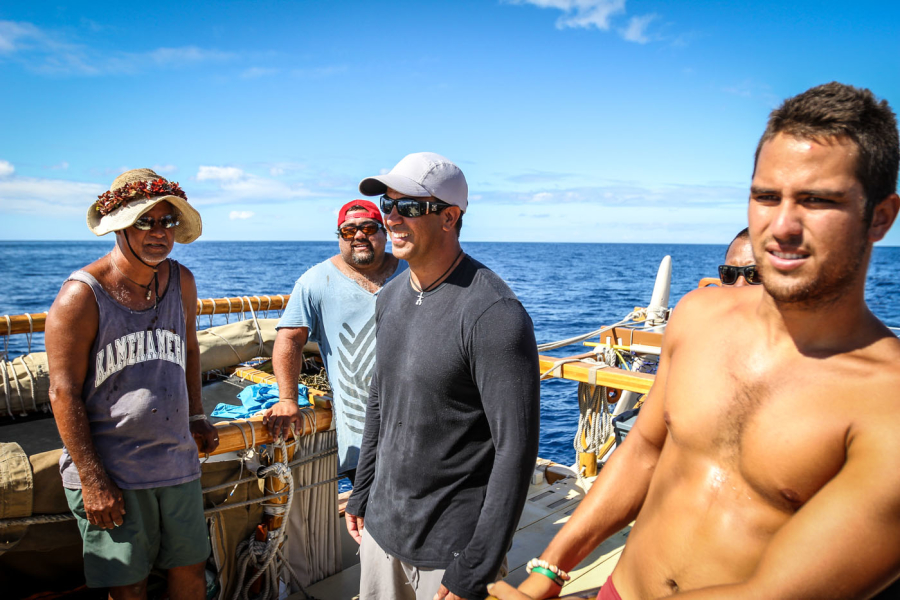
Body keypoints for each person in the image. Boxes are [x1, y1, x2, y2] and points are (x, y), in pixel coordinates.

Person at [490, 82, 900, 600]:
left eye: (818, 200)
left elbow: (776, 593)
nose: (782, 226)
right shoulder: (698, 316)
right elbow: (644, 448)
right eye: (766, 196)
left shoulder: (887, 404)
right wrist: (546, 574)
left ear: (880, 216)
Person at [344, 152, 541, 600]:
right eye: (387, 206)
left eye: (409, 207)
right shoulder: (390, 297)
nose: (392, 218)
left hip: (451, 552)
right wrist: (362, 493)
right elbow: (381, 399)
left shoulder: (493, 313)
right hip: (381, 530)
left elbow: (517, 448)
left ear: (449, 217)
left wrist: (478, 562)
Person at [46, 169, 218, 600]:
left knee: (191, 573)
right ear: (120, 226)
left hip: (175, 462)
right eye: (145, 221)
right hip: (114, 472)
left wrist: (197, 415)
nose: (159, 232)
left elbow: (191, 351)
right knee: (128, 588)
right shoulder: (81, 296)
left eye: (167, 221)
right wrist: (92, 479)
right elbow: (62, 392)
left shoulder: (181, 280)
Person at [263, 199, 405, 482]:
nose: (359, 236)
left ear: (385, 232)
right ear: (339, 237)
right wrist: (288, 399)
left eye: (368, 227)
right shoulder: (315, 282)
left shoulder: (414, 274)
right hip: (361, 442)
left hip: (423, 432)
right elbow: (289, 339)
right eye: (348, 231)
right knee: (373, 522)